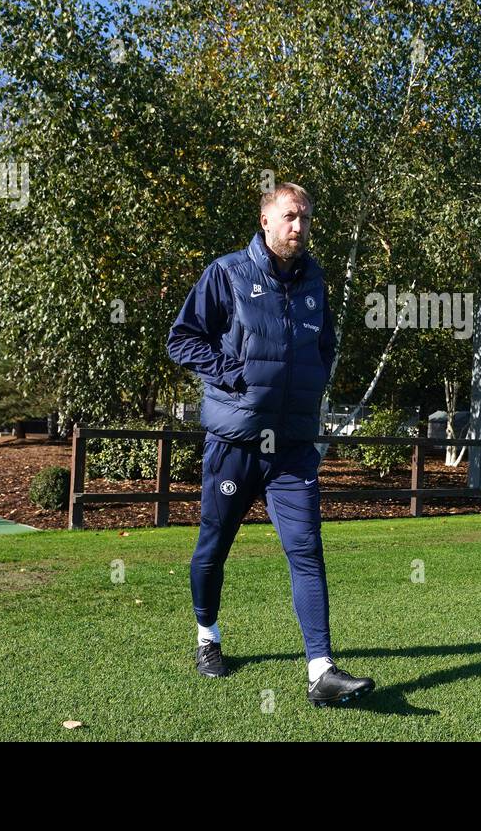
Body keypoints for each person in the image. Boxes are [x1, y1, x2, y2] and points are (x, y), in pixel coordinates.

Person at [166, 182, 375, 707]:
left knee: (307, 550)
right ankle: (207, 637)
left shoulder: (316, 281)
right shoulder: (227, 273)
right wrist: (231, 374)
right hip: (236, 441)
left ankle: (321, 670)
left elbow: (324, 344)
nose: (298, 227)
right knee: (214, 546)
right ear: (265, 220)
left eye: (305, 218)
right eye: (289, 217)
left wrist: (312, 382)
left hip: (293, 445)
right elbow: (182, 338)